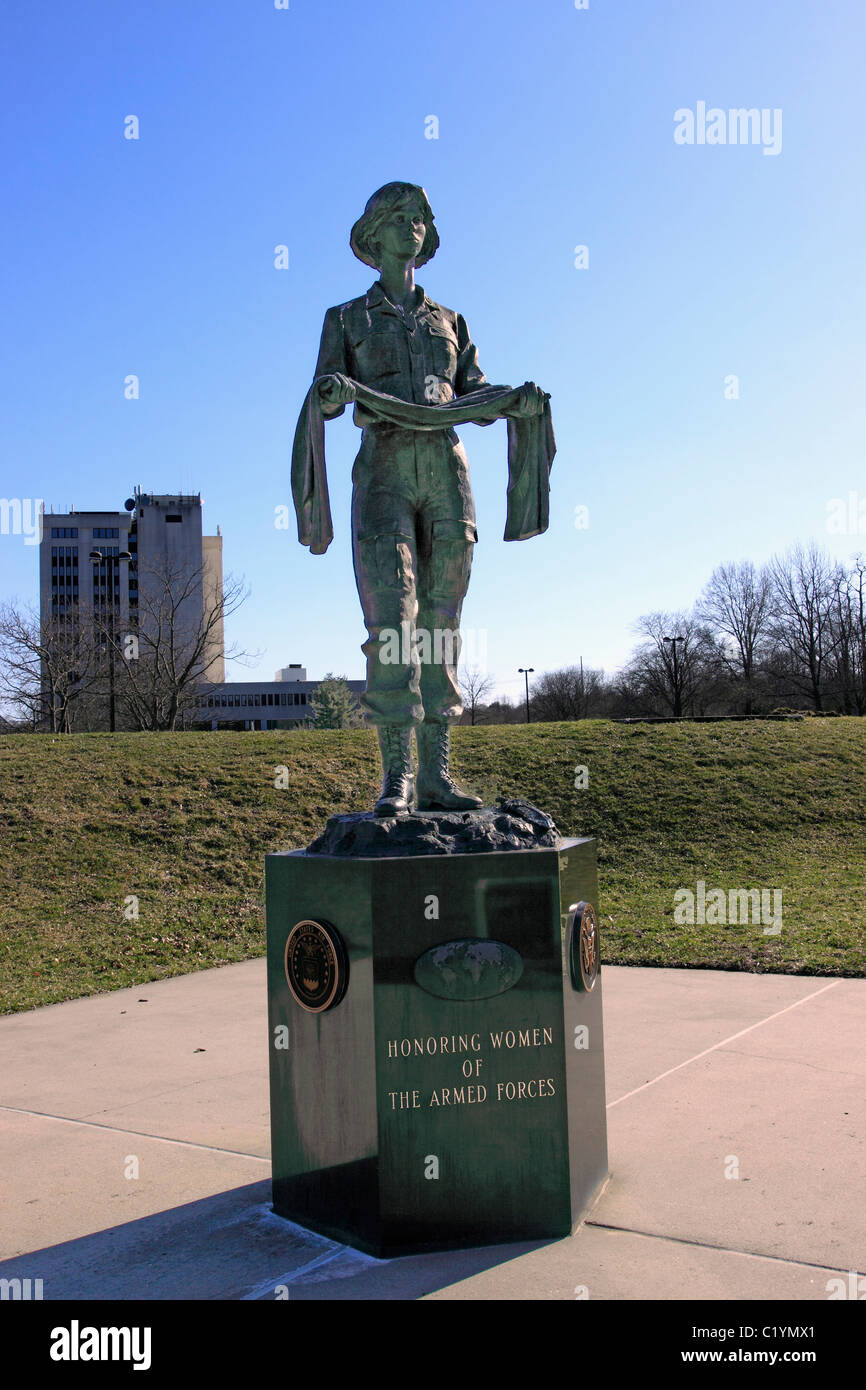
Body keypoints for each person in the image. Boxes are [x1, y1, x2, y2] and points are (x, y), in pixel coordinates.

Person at [298, 181, 549, 816]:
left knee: (443, 621)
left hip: (446, 470)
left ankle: (435, 777)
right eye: (403, 216)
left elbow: (474, 393)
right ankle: (397, 779)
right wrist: (331, 393)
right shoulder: (346, 320)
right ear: (375, 232)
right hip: (382, 467)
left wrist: (510, 401)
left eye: (422, 218)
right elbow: (323, 398)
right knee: (391, 622)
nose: (415, 225)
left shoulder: (451, 321)